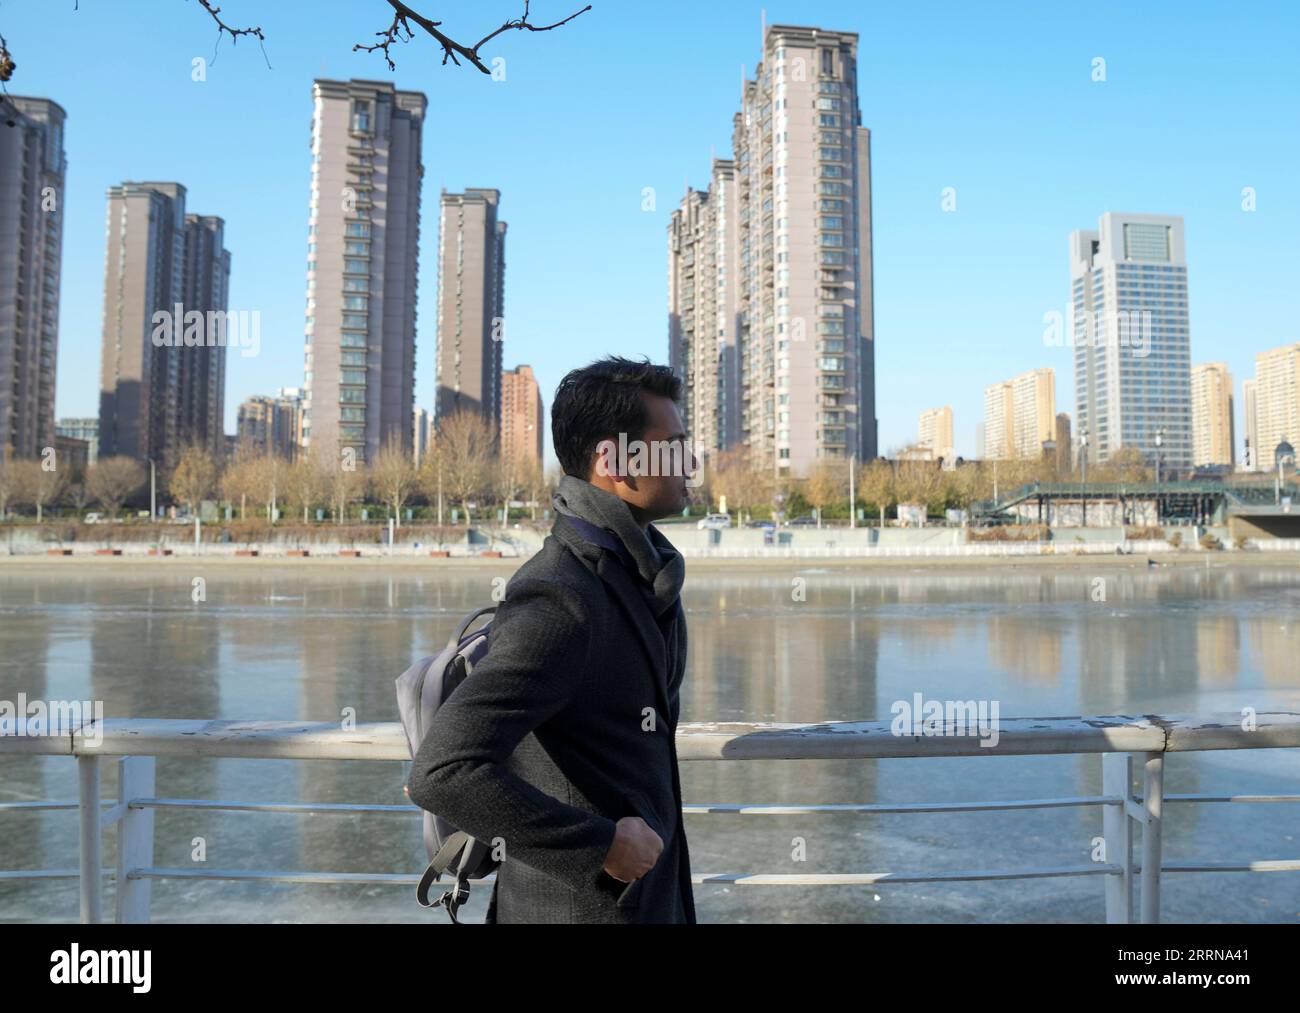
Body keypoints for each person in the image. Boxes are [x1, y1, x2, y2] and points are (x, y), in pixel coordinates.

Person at [408, 356, 698, 923]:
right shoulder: (561, 595)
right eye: (676, 445)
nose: (691, 461)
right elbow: (443, 771)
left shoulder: (641, 575)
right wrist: (602, 847)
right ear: (616, 461)